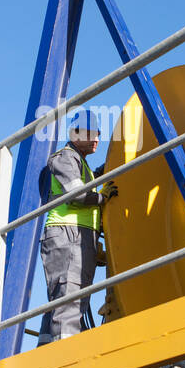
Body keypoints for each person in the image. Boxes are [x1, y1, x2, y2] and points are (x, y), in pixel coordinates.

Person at [37, 108, 116, 346]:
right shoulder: (64, 157)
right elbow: (76, 194)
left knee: (66, 299)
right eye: (91, 133)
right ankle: (64, 356)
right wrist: (103, 197)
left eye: (99, 134)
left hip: (78, 240)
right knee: (69, 296)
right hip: (67, 237)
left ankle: (46, 350)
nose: (96, 140)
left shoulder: (84, 167)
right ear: (76, 133)